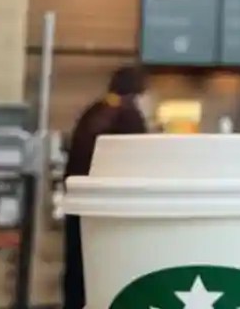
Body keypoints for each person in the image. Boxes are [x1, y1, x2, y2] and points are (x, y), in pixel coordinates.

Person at [63, 66, 149, 309]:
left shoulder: (96, 110)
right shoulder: (128, 116)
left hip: (81, 202)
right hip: (114, 209)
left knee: (79, 270)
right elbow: (140, 160)